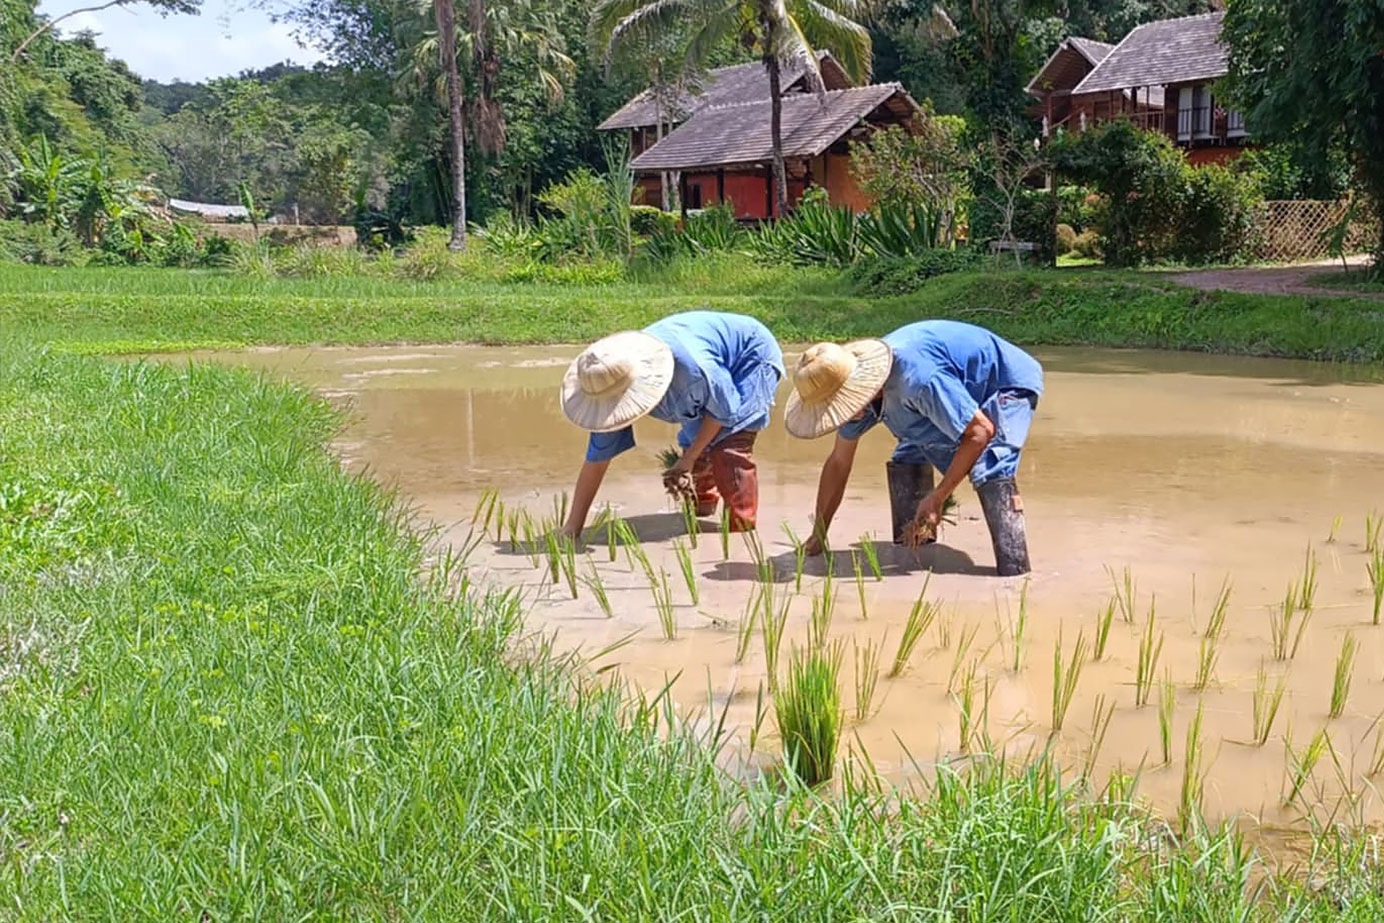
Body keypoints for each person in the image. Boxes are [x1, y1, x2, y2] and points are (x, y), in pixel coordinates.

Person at [784, 320, 1043, 576]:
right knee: (907, 456)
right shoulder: (856, 401)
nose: (840, 415)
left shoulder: (917, 382)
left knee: (991, 466)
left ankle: (1015, 571)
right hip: (935, 393)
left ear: (856, 392)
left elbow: (979, 431)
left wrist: (938, 496)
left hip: (1003, 382)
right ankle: (915, 545)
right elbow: (839, 462)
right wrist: (819, 533)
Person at [559, 310, 784, 538]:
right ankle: (702, 505)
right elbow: (596, 460)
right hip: (698, 376)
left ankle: (740, 529)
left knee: (729, 448)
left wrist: (687, 460)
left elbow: (723, 412)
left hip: (749, 356)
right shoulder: (606, 386)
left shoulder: (693, 371)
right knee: (696, 454)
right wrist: (573, 527)